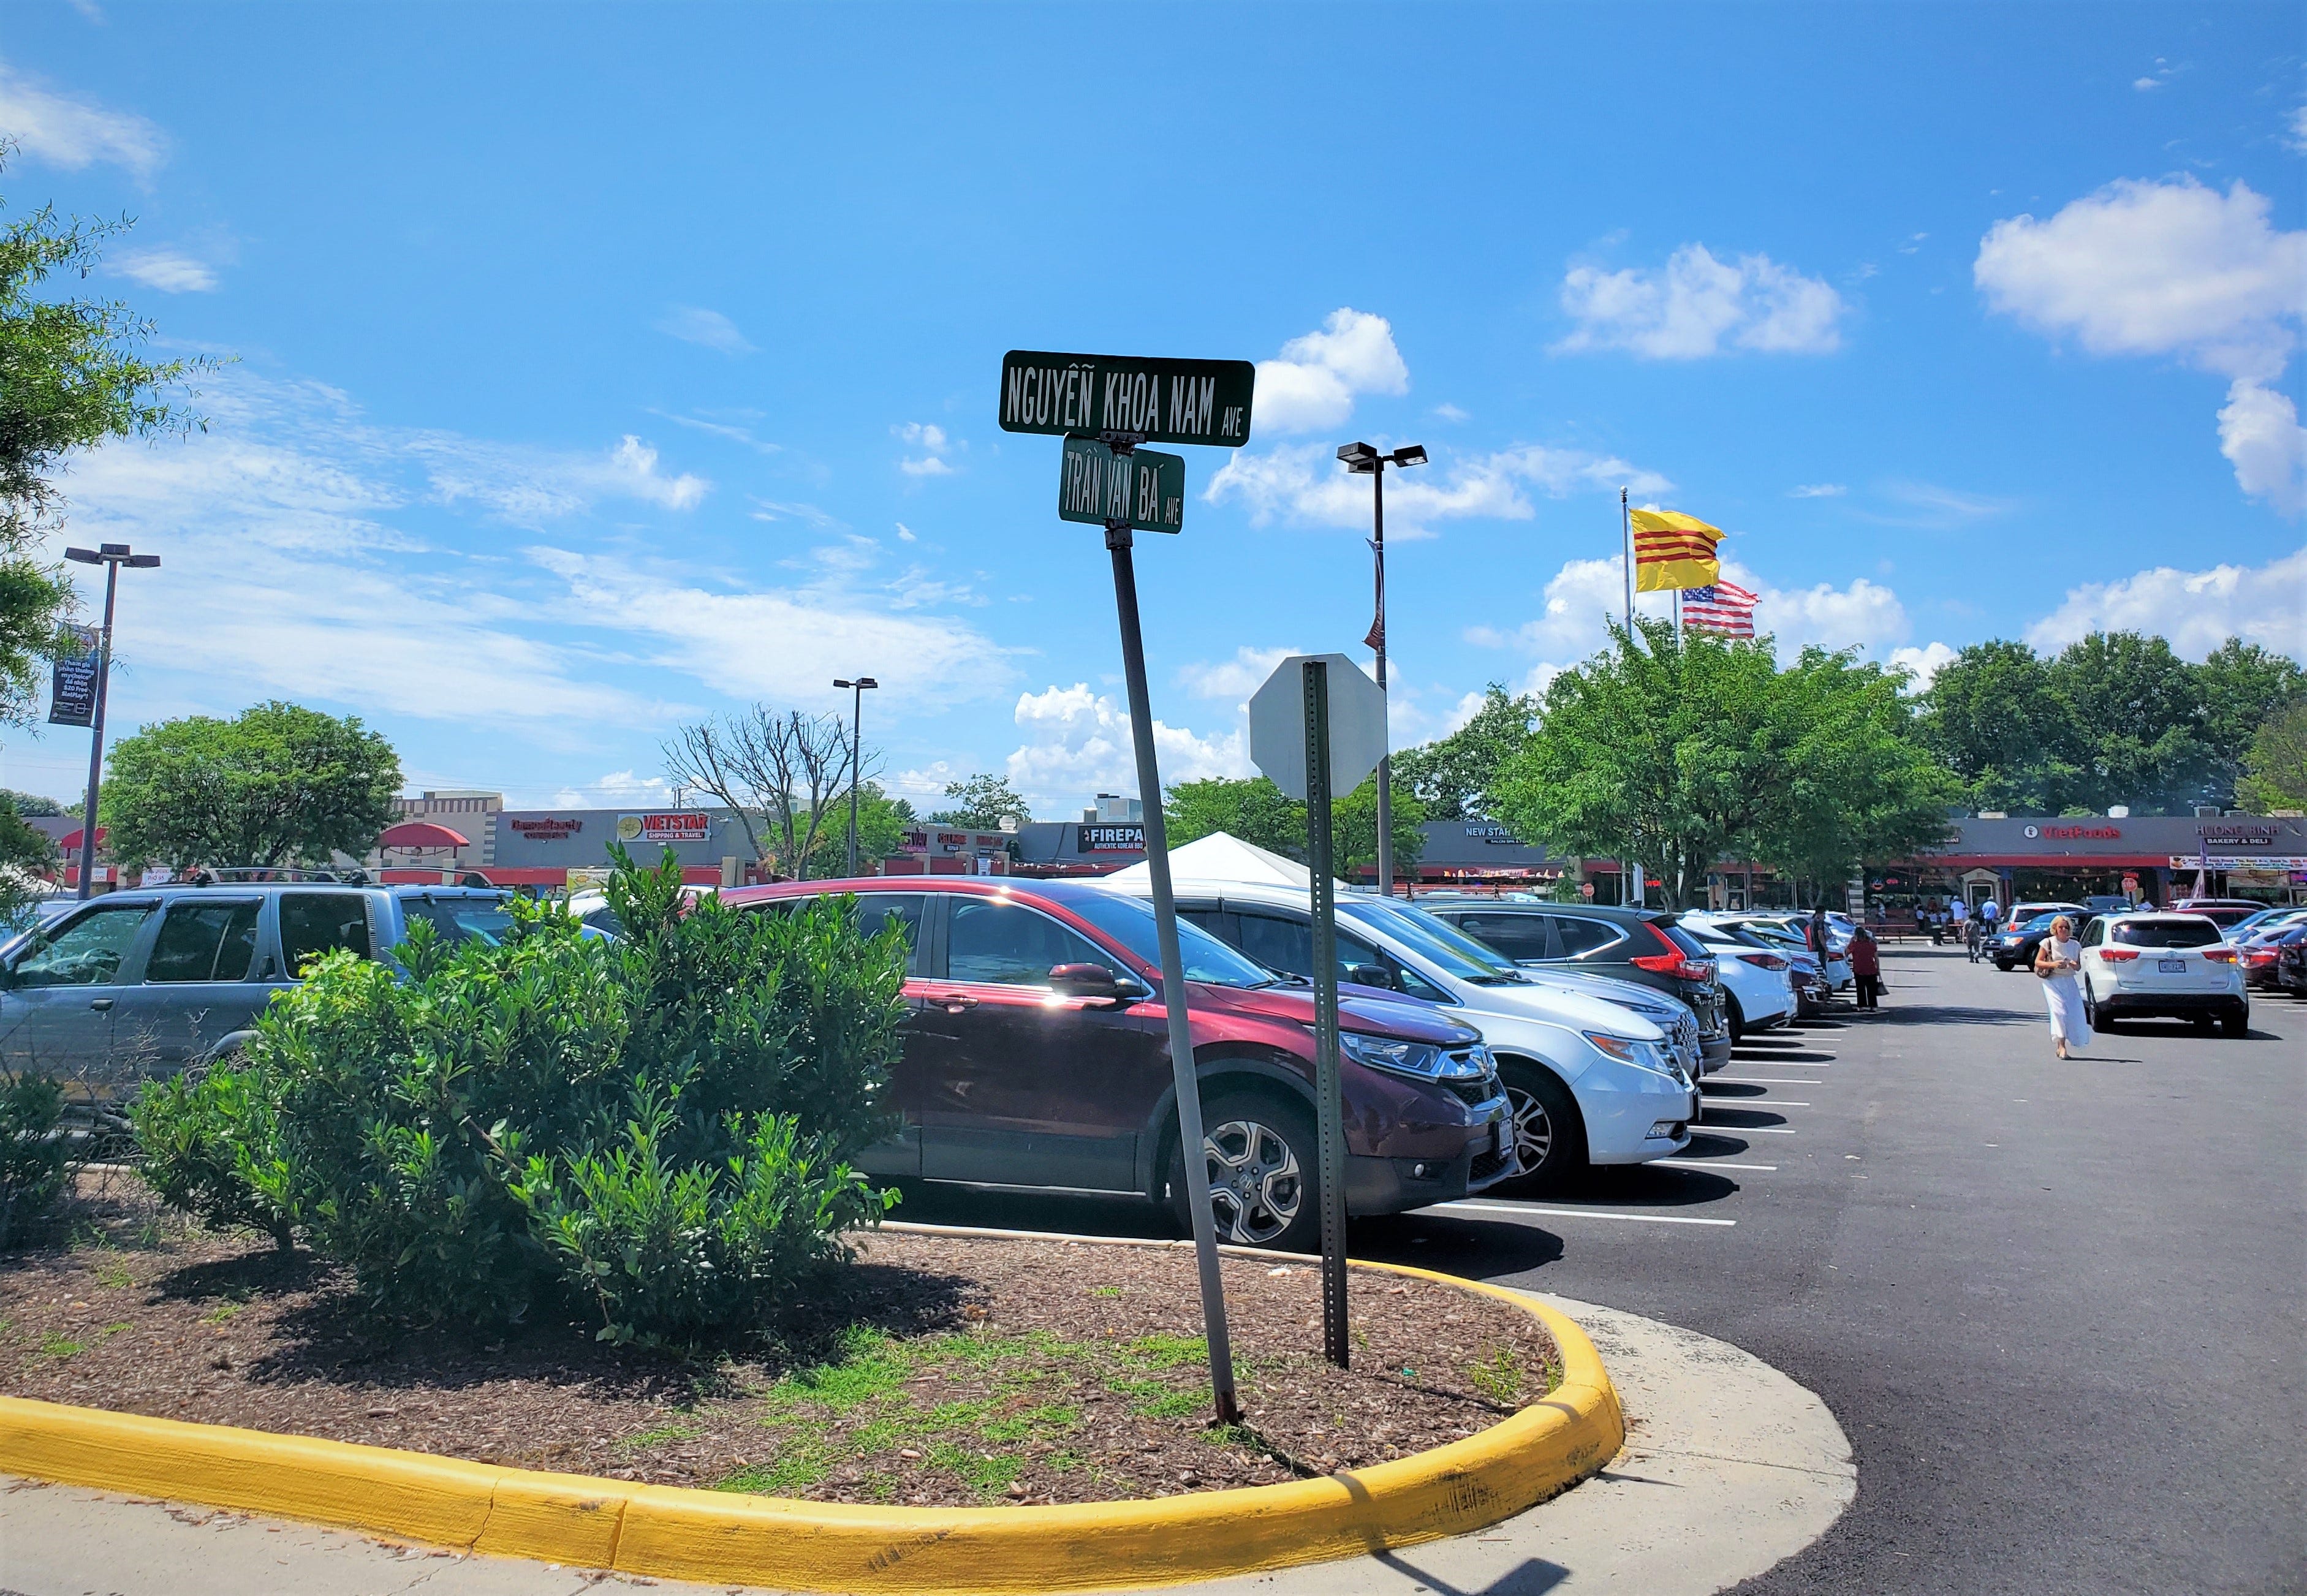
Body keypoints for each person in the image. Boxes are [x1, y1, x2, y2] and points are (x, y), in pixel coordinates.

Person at [2033, 914, 2091, 1059]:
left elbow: (2078, 967)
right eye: (2061, 927)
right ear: (2055, 929)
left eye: (2066, 927)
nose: (2063, 930)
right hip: (2053, 981)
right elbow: (2038, 962)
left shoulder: (2075, 945)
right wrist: (2053, 964)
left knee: (2072, 1013)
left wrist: (2072, 964)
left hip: (2069, 982)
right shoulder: (2048, 943)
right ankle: (2062, 1045)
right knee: (2059, 1012)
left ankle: (2062, 1045)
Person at [1850, 925, 1883, 1010]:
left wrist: (1851, 942)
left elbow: (1846, 953)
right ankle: (1873, 1006)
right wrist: (1878, 969)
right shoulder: (1871, 945)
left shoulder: (1854, 945)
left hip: (1859, 969)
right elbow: (1876, 958)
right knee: (1871, 989)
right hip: (1871, 969)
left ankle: (1861, 1006)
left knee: (1860, 989)